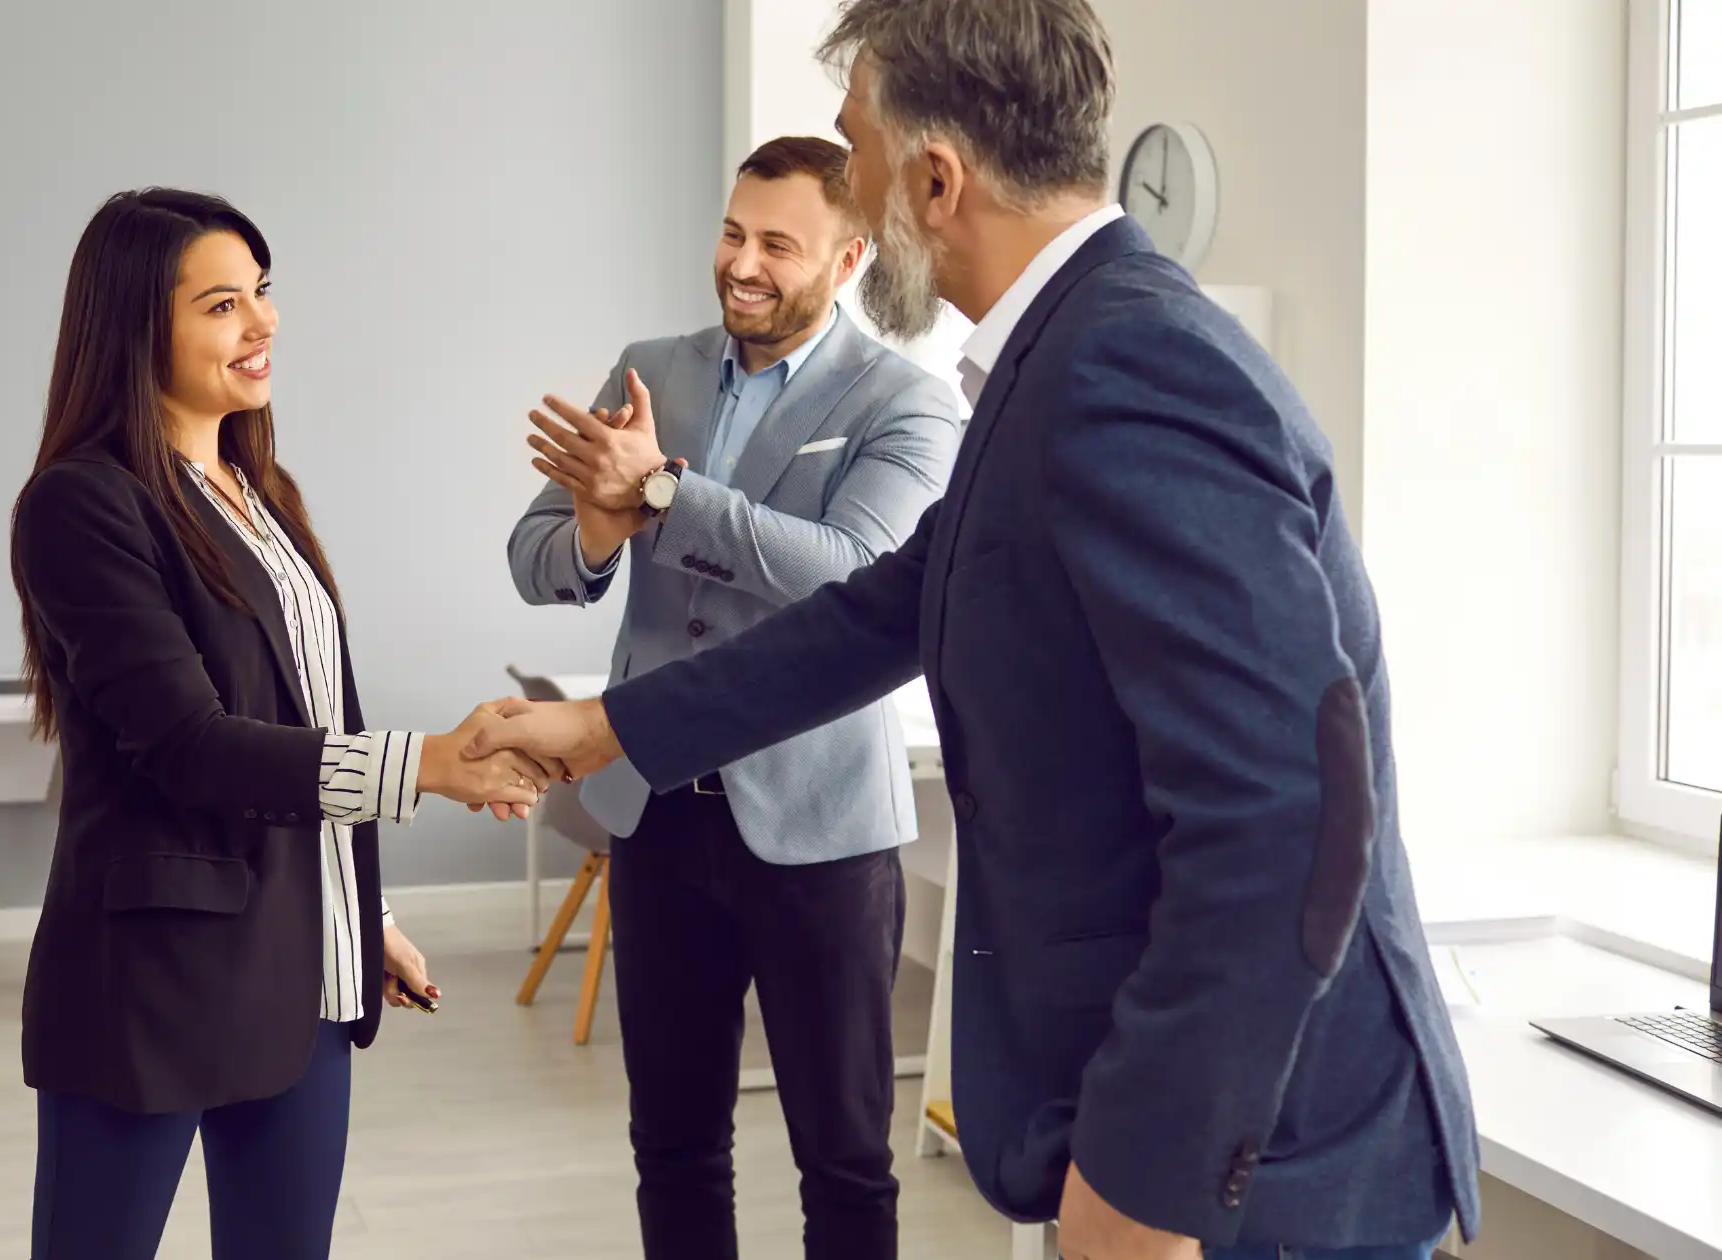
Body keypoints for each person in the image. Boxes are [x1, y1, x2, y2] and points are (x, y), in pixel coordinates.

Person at [471, 3, 1483, 1259]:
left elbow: (1283, 811)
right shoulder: (1065, 349)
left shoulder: (1126, 365)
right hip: (1212, 1138)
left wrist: (1146, 1178)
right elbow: (893, 607)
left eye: (861, 151)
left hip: (1254, 1168)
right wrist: (604, 725)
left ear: (934, 178)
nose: (855, 181)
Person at [8, 187, 554, 1260]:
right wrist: (431, 765)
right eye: (221, 304)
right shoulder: (82, 505)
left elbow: (301, 721)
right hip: (152, 987)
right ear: (134, 327)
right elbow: (193, 746)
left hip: (299, 971)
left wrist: (360, 916)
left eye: (261, 294)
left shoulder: (259, 490)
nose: (261, 324)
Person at [508, 135, 959, 1259]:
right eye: (730, 232)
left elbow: (854, 578)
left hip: (822, 830)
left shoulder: (907, 403)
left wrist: (661, 490)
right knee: (669, 1140)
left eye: (775, 244)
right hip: (655, 811)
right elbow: (532, 558)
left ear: (848, 256)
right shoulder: (647, 368)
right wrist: (597, 530)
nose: (740, 263)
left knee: (844, 1160)